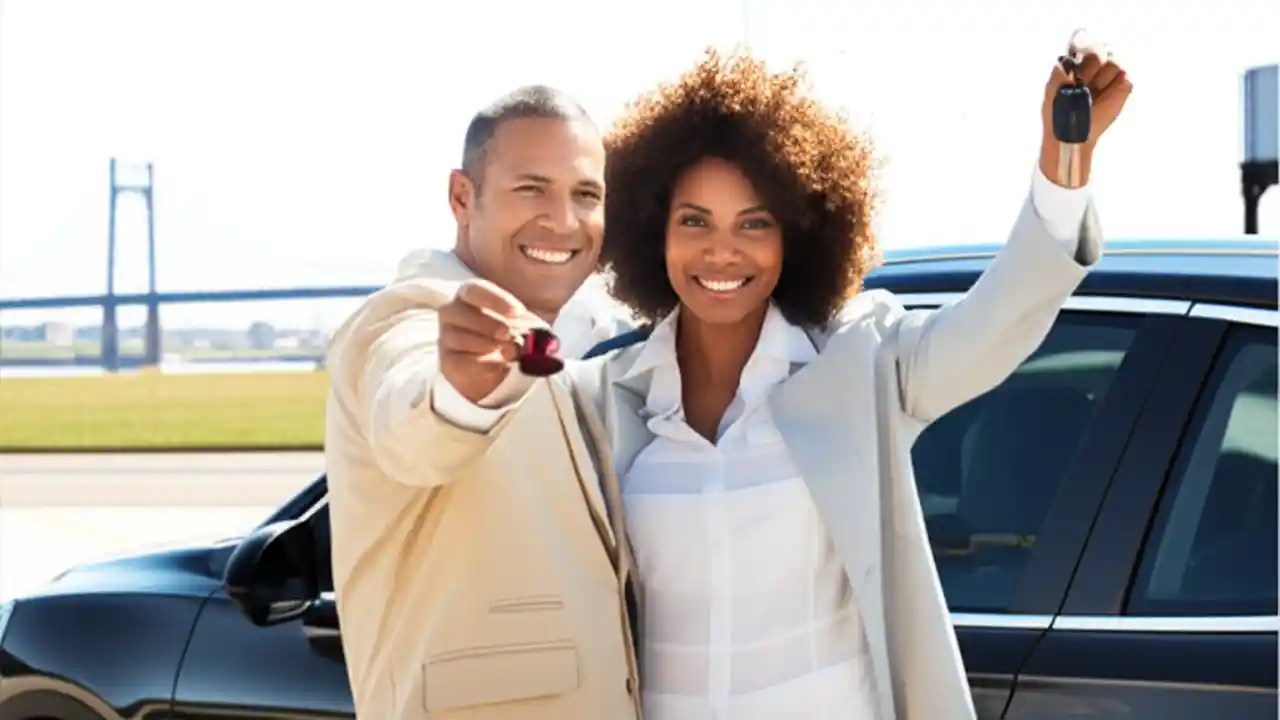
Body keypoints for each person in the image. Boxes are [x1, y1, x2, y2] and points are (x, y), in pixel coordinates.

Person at [430, 43, 1131, 720]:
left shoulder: (861, 365)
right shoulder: (601, 396)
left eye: (754, 224)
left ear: (795, 234)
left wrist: (1063, 164)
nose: (721, 251)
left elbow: (1001, 318)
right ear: (654, 231)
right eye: (694, 221)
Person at [324, 85, 639, 719]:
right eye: (532, 188)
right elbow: (411, 425)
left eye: (585, 194)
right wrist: (460, 393)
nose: (563, 220)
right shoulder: (406, 318)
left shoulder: (591, 347)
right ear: (462, 197)